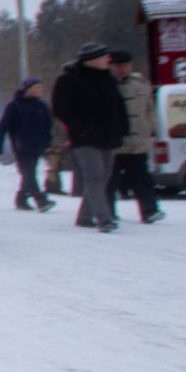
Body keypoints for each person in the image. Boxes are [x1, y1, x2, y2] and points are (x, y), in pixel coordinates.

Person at [51, 42, 127, 232]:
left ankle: (85, 216)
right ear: (91, 60)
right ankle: (104, 219)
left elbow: (119, 106)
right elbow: (60, 108)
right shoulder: (69, 80)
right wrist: (79, 129)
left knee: (104, 177)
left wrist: (123, 128)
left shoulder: (108, 79)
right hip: (85, 138)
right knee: (95, 177)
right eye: (104, 57)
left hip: (108, 136)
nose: (108, 61)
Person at [109, 50, 165, 224]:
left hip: (138, 140)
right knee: (109, 180)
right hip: (115, 142)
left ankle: (149, 210)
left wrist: (152, 128)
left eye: (125, 65)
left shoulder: (140, 82)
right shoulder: (106, 84)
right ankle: (107, 212)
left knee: (142, 178)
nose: (121, 69)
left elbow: (149, 108)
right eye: (118, 66)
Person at [0, 77, 57, 212]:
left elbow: (48, 127)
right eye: (37, 87)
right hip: (21, 146)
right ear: (28, 89)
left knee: (29, 173)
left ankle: (21, 199)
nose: (40, 90)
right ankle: (40, 199)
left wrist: (48, 144)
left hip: (38, 146)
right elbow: (3, 127)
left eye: (41, 88)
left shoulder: (42, 107)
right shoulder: (15, 106)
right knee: (29, 173)